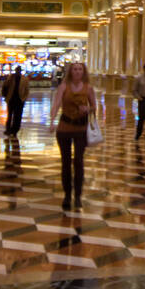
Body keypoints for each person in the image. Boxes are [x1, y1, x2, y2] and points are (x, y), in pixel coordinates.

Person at [51, 61, 96, 212]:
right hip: (64, 128)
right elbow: (57, 103)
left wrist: (88, 109)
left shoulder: (88, 88)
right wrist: (51, 121)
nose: (77, 72)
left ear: (84, 72)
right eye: (75, 69)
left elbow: (94, 107)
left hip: (81, 129)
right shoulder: (64, 86)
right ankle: (67, 195)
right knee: (65, 162)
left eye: (80, 69)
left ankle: (77, 196)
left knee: (78, 161)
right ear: (71, 72)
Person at [2, 66, 29, 137]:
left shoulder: (24, 79)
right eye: (17, 70)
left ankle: (15, 130)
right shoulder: (10, 78)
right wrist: (5, 96)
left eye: (18, 71)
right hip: (11, 99)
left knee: (17, 116)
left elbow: (27, 90)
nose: (17, 72)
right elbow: (5, 86)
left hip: (19, 100)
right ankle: (8, 130)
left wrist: (24, 98)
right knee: (10, 115)